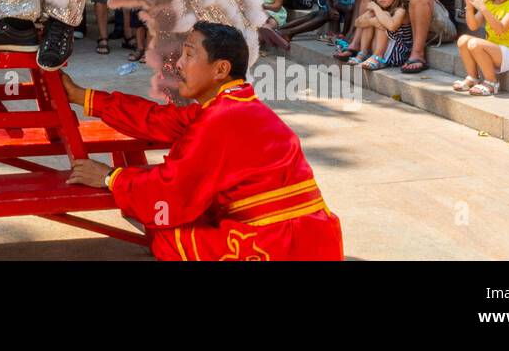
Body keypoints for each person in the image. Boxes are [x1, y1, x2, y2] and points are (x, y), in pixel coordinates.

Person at [61, 22, 343, 261]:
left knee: (169, 238)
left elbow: (170, 190)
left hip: (279, 243)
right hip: (314, 236)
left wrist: (111, 178)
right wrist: (81, 96)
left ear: (220, 69)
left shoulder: (221, 116)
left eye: (189, 54)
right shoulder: (233, 105)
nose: (178, 63)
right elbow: (156, 119)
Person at [340, 0, 409, 69]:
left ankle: (378, 57)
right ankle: (363, 53)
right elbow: (357, 23)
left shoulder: (400, 10)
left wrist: (376, 8)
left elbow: (391, 26)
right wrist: (372, 20)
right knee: (371, 18)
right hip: (381, 47)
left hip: (397, 53)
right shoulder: (375, 11)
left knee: (383, 17)